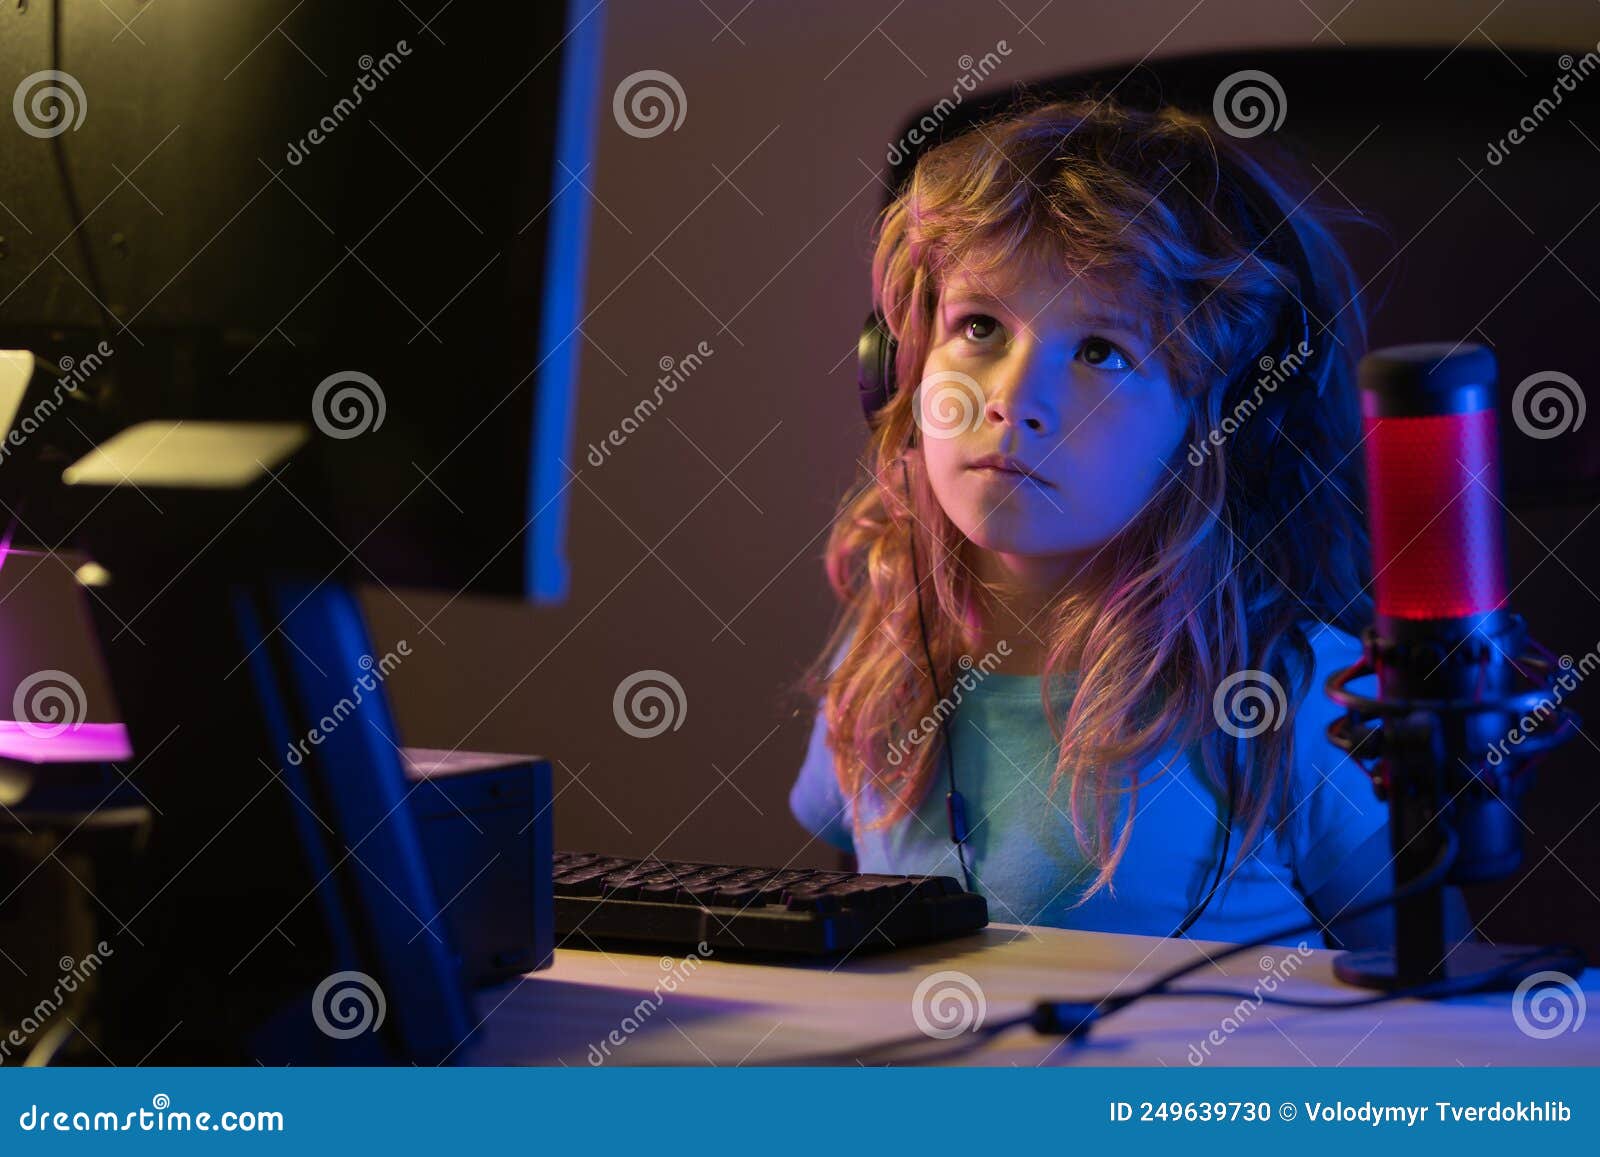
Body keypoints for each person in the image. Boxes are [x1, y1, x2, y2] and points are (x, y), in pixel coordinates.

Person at [789, 97, 1470, 949]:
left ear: (1221, 416)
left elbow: (1443, 1014)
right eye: (979, 325)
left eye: (1102, 350)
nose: (1010, 401)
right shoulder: (883, 662)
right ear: (899, 365)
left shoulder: (1298, 701)